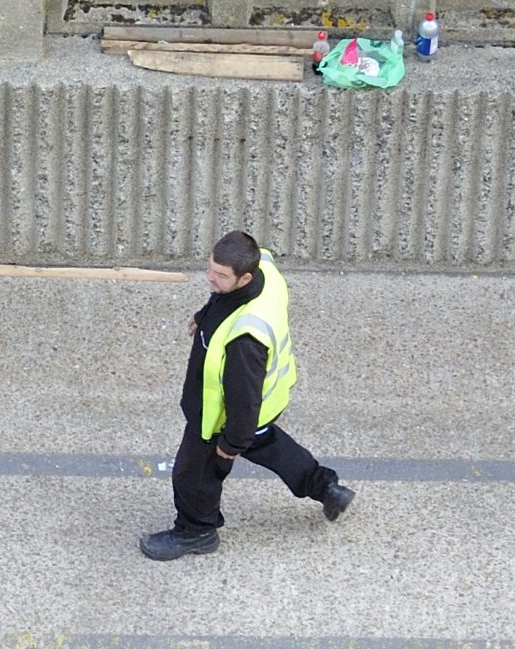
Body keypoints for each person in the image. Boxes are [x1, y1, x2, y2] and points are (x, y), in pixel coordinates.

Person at [140, 230, 355, 560]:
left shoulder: (245, 342)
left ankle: (197, 532)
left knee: (192, 472)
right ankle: (326, 487)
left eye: (221, 275)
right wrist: (205, 315)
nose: (211, 278)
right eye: (210, 268)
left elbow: (243, 401)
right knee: (271, 445)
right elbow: (226, 300)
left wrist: (229, 445)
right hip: (264, 407)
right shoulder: (264, 271)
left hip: (221, 418)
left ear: (244, 278)